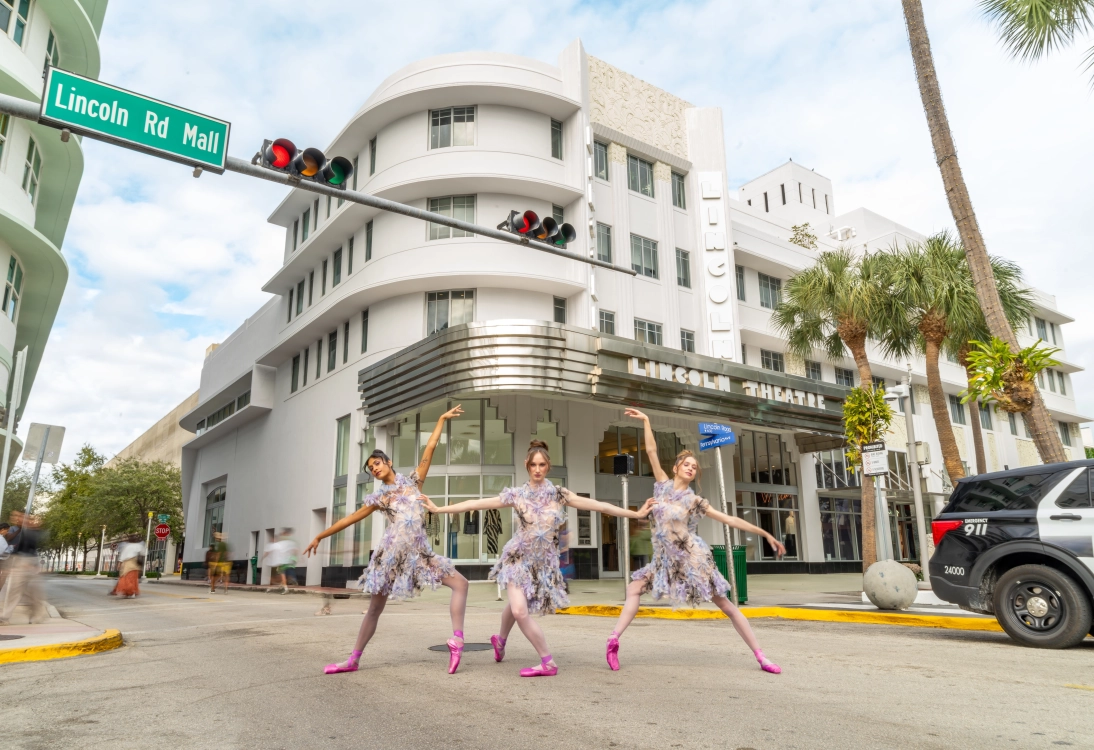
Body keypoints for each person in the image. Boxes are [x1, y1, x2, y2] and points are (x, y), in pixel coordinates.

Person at [422, 440, 643, 677]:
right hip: (517, 559)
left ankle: (500, 640)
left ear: (548, 467)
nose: (538, 469)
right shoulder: (516, 495)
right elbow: (477, 503)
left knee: (517, 606)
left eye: (542, 465)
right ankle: (547, 661)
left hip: (542, 565)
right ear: (527, 465)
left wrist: (635, 513)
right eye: (533, 465)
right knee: (519, 610)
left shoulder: (559, 495)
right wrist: (438, 509)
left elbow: (600, 506)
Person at [605, 409, 786, 675]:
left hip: (692, 559)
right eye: (686, 464)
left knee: (724, 604)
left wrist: (765, 533)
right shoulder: (661, 487)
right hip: (664, 560)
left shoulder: (694, 500)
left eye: (694, 467)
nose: (690, 468)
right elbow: (652, 452)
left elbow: (729, 520)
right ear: (676, 468)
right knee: (634, 590)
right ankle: (613, 640)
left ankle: (761, 655)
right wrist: (646, 421)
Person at [304, 405, 468, 675]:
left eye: (377, 463)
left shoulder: (415, 482)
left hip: (420, 555)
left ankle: (457, 640)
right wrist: (320, 535)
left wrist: (440, 419)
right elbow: (351, 518)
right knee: (374, 609)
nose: (374, 469)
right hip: (390, 557)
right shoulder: (380, 498)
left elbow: (430, 448)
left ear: (388, 462)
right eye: (370, 468)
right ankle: (353, 659)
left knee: (460, 584)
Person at [0, 512, 47, 624]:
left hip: (30, 562)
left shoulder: (32, 531)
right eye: (14, 517)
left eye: (19, 517)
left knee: (34, 593)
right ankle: (4, 617)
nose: (16, 519)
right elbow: (11, 541)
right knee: (13, 590)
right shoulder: (14, 530)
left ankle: (37, 615)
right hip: (18, 561)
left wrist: (33, 565)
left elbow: (32, 545)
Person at [263, 528, 298, 594]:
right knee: (277, 575)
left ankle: (284, 586)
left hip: (278, 562)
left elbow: (268, 552)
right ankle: (275, 586)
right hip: (279, 562)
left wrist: (263, 558)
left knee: (281, 574)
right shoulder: (281, 544)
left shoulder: (276, 545)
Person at [112, 534, 146, 598]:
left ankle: (128, 592)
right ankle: (132, 592)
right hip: (135, 564)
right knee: (133, 578)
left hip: (127, 563)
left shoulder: (127, 546)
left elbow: (123, 556)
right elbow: (143, 553)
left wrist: (119, 564)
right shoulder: (139, 546)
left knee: (126, 577)